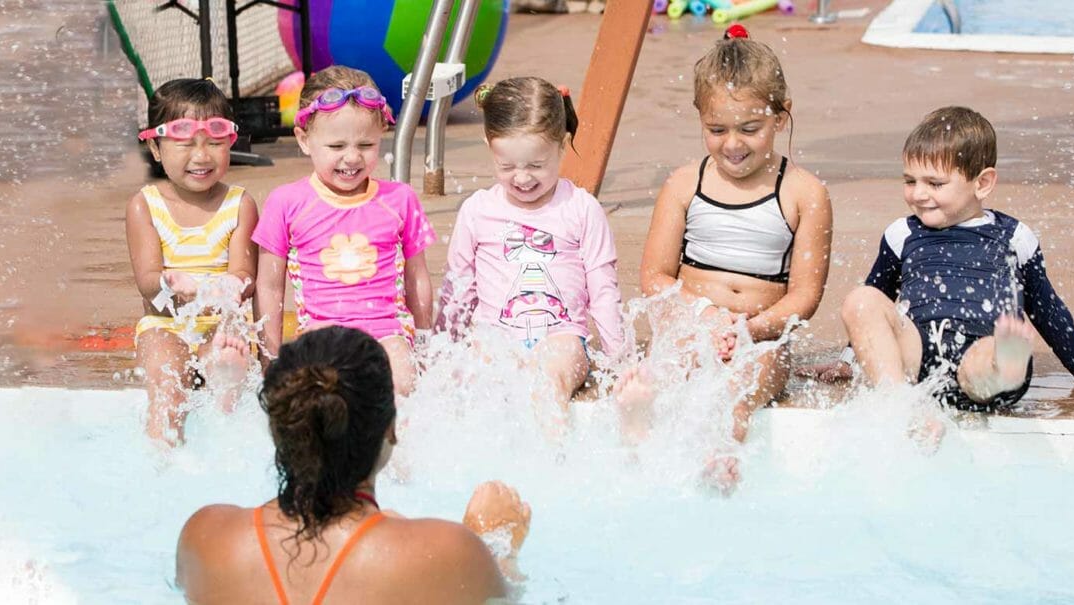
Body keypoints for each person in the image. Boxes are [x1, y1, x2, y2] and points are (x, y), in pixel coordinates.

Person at [615, 24, 832, 486]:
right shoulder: (683, 184)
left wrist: (748, 329)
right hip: (692, 324)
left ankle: (720, 458)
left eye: (750, 129)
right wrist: (704, 317)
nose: (732, 144)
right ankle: (636, 434)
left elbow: (805, 296)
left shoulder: (803, 192)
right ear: (700, 120)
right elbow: (654, 276)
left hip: (761, 338)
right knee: (665, 376)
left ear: (781, 115)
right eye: (716, 130)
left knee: (739, 388)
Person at [176, 326, 531, 604]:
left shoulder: (205, 537)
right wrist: (498, 544)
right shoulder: (446, 552)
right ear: (390, 429)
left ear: (278, 430)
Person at [833, 106, 1074, 416]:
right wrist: (850, 359)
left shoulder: (1014, 237)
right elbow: (876, 303)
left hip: (982, 361)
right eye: (910, 181)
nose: (919, 194)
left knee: (985, 355)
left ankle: (1008, 364)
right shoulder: (901, 234)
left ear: (982, 183)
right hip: (919, 358)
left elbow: (1047, 309)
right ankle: (900, 406)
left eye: (935, 184)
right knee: (861, 299)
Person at [436, 76, 626, 410]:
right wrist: (440, 352)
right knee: (479, 388)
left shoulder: (581, 209)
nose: (522, 178)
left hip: (562, 337)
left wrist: (619, 359)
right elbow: (458, 289)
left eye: (537, 165)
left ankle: (550, 459)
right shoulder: (478, 211)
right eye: (506, 166)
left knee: (551, 386)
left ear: (561, 145)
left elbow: (603, 290)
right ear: (489, 144)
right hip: (494, 335)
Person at [253, 66, 436, 395]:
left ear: (382, 134)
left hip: (388, 331)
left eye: (366, 144)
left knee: (401, 384)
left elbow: (417, 276)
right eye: (336, 146)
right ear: (304, 140)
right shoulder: (287, 202)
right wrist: (270, 357)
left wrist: (423, 343)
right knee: (321, 396)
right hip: (321, 332)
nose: (352, 158)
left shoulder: (399, 199)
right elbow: (268, 286)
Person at [126, 78, 259, 447]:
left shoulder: (240, 204)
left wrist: (227, 286)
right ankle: (163, 463)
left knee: (226, 361)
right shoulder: (145, 205)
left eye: (215, 143)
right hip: (165, 325)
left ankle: (226, 385)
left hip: (222, 324)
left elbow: (244, 276)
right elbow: (147, 282)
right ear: (154, 147)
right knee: (167, 385)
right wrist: (169, 283)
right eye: (185, 144)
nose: (201, 156)